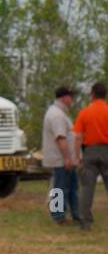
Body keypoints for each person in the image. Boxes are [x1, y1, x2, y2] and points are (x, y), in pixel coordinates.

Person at [41, 86, 80, 224]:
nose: (72, 99)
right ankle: (58, 216)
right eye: (71, 96)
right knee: (59, 189)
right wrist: (68, 158)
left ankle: (75, 214)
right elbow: (61, 138)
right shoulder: (57, 115)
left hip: (63, 159)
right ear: (64, 97)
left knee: (69, 187)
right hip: (61, 159)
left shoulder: (59, 113)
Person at [73, 81, 108, 232]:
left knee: (87, 188)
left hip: (90, 151)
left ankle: (85, 222)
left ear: (92, 95)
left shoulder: (85, 112)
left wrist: (77, 156)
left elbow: (78, 137)